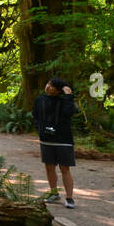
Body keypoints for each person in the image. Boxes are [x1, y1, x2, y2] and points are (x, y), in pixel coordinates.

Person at [33, 77, 77, 208]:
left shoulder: (65, 101)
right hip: (46, 140)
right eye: (48, 84)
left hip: (63, 140)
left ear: (58, 90)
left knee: (65, 168)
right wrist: (40, 129)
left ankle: (69, 198)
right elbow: (35, 115)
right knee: (49, 167)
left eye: (52, 86)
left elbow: (70, 113)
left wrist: (69, 96)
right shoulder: (39, 100)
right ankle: (54, 193)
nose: (48, 87)